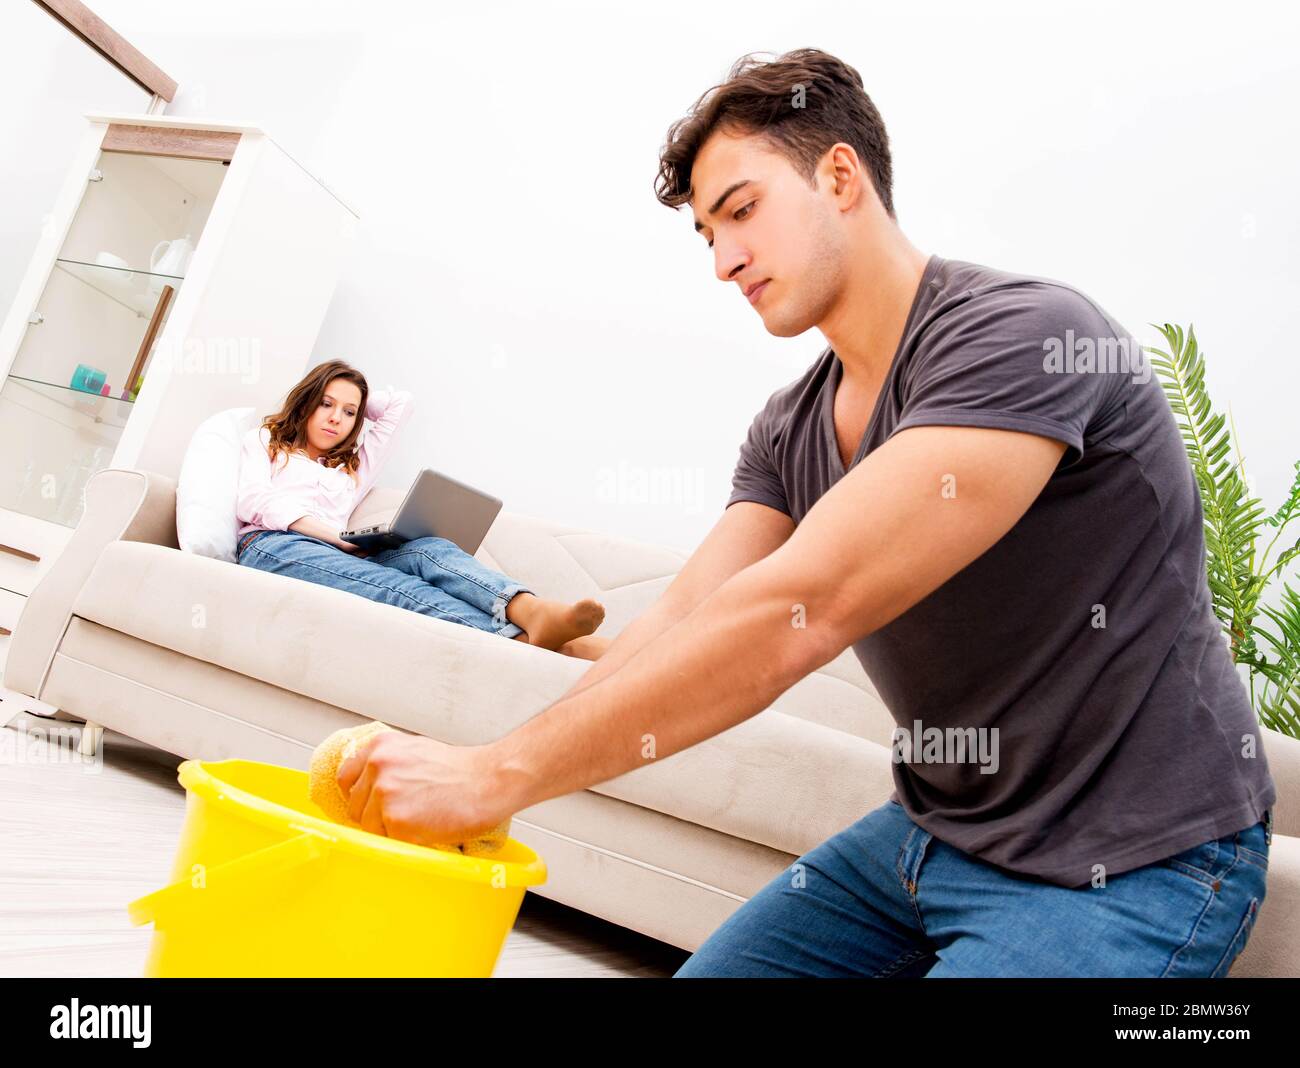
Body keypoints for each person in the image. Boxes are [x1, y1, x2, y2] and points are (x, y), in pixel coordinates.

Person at [335, 49, 1275, 977]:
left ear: (839, 176)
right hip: (934, 833)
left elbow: (803, 607)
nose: (723, 259)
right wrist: (491, 774)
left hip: (1137, 864)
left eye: (740, 211)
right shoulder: (787, 429)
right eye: (706, 234)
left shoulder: (1025, 337)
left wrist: (491, 778)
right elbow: (678, 622)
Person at [235, 359, 611, 660]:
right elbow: (256, 501)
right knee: (397, 587)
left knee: (431, 549)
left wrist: (360, 397)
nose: (337, 418)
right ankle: (546, 646)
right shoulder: (267, 441)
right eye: (326, 403)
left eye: (351, 412)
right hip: (275, 546)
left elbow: (401, 406)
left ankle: (529, 610)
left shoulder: (351, 468)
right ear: (305, 402)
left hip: (338, 552)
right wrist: (336, 537)